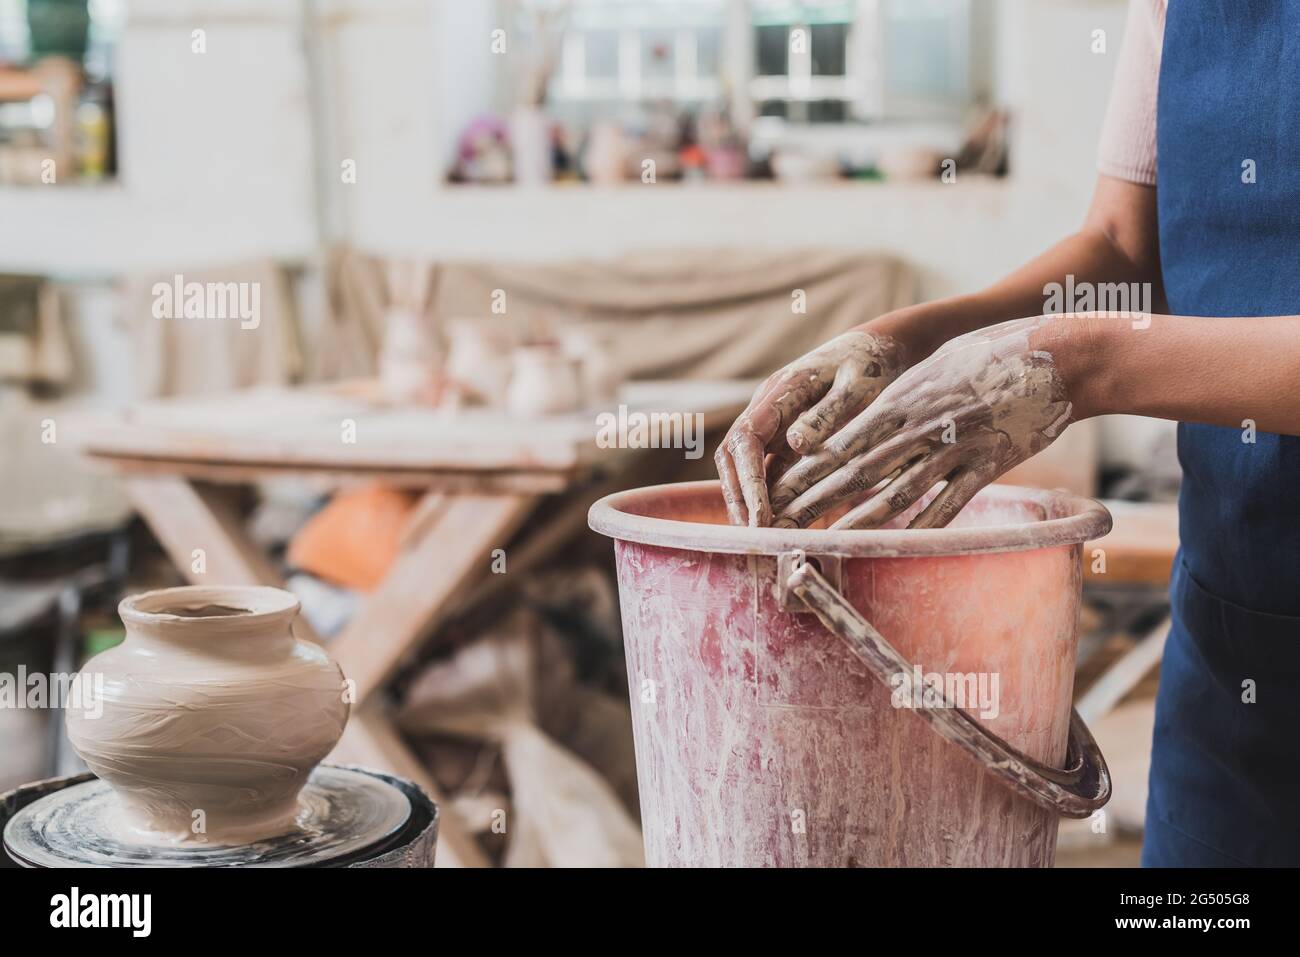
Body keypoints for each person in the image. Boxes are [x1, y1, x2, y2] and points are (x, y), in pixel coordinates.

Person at [715, 0, 1300, 867]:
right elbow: (1119, 246)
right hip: (1240, 630)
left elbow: (1101, 336)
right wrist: (908, 339)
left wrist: (1088, 365)